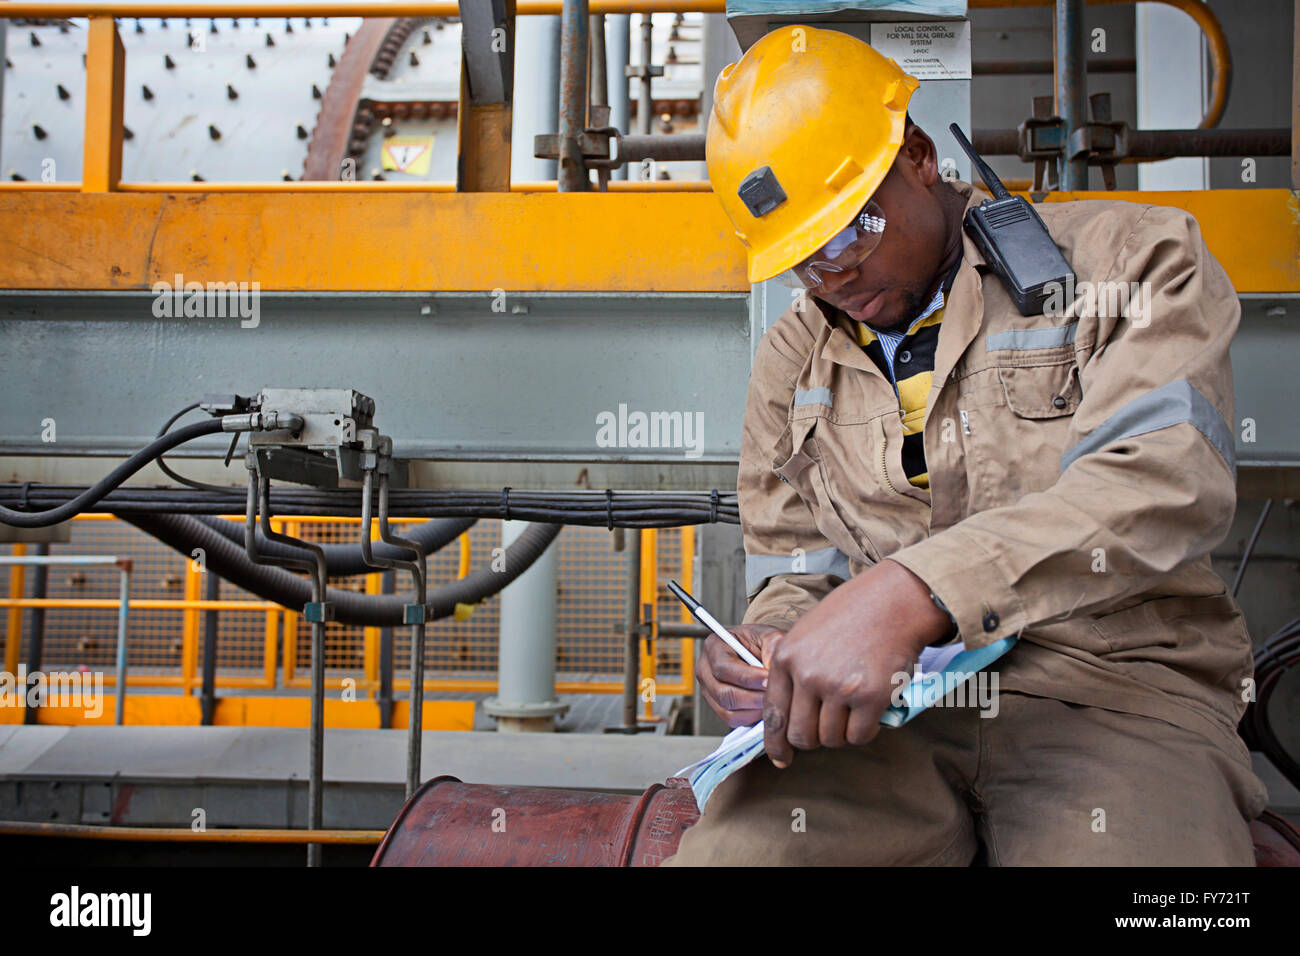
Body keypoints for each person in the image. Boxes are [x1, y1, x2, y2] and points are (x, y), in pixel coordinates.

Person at [661, 25, 1269, 866]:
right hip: (882, 723)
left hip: (1116, 695)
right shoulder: (793, 360)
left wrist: (913, 595)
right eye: (803, 259)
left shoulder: (1130, 261)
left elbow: (1162, 483)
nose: (833, 276)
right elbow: (794, 568)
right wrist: (767, 647)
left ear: (916, 156)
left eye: (850, 231)